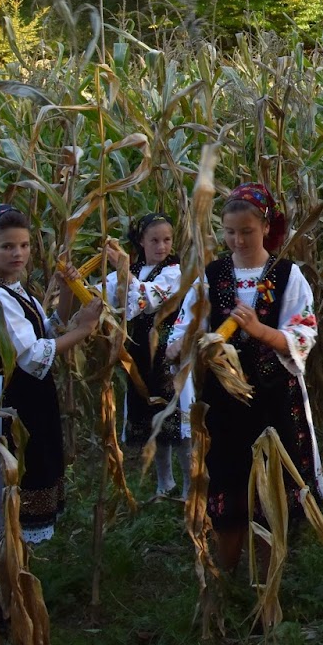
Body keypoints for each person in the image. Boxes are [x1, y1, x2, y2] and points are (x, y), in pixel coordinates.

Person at [190, 182, 322, 570]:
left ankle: (267, 575)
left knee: (271, 489)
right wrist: (190, 345)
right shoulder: (212, 275)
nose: (237, 240)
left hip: (272, 399)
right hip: (225, 401)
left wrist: (259, 331)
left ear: (265, 227)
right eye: (229, 232)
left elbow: (304, 333)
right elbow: (188, 324)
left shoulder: (287, 275)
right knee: (227, 484)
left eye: (246, 231)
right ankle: (226, 573)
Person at [0, 203, 102, 549]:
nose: (18, 253)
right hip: (10, 396)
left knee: (33, 465)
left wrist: (69, 292)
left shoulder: (18, 289)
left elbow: (48, 331)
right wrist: (85, 329)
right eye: (7, 247)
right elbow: (31, 354)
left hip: (31, 394)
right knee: (14, 471)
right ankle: (9, 564)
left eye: (24, 246)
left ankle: (20, 561)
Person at [103, 212, 189, 498]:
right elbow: (104, 293)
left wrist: (122, 269)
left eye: (167, 240)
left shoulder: (173, 272)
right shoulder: (133, 270)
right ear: (141, 241)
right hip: (139, 356)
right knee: (155, 424)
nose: (162, 246)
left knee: (176, 424)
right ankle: (165, 483)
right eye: (154, 240)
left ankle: (190, 486)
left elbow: (147, 299)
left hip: (167, 357)